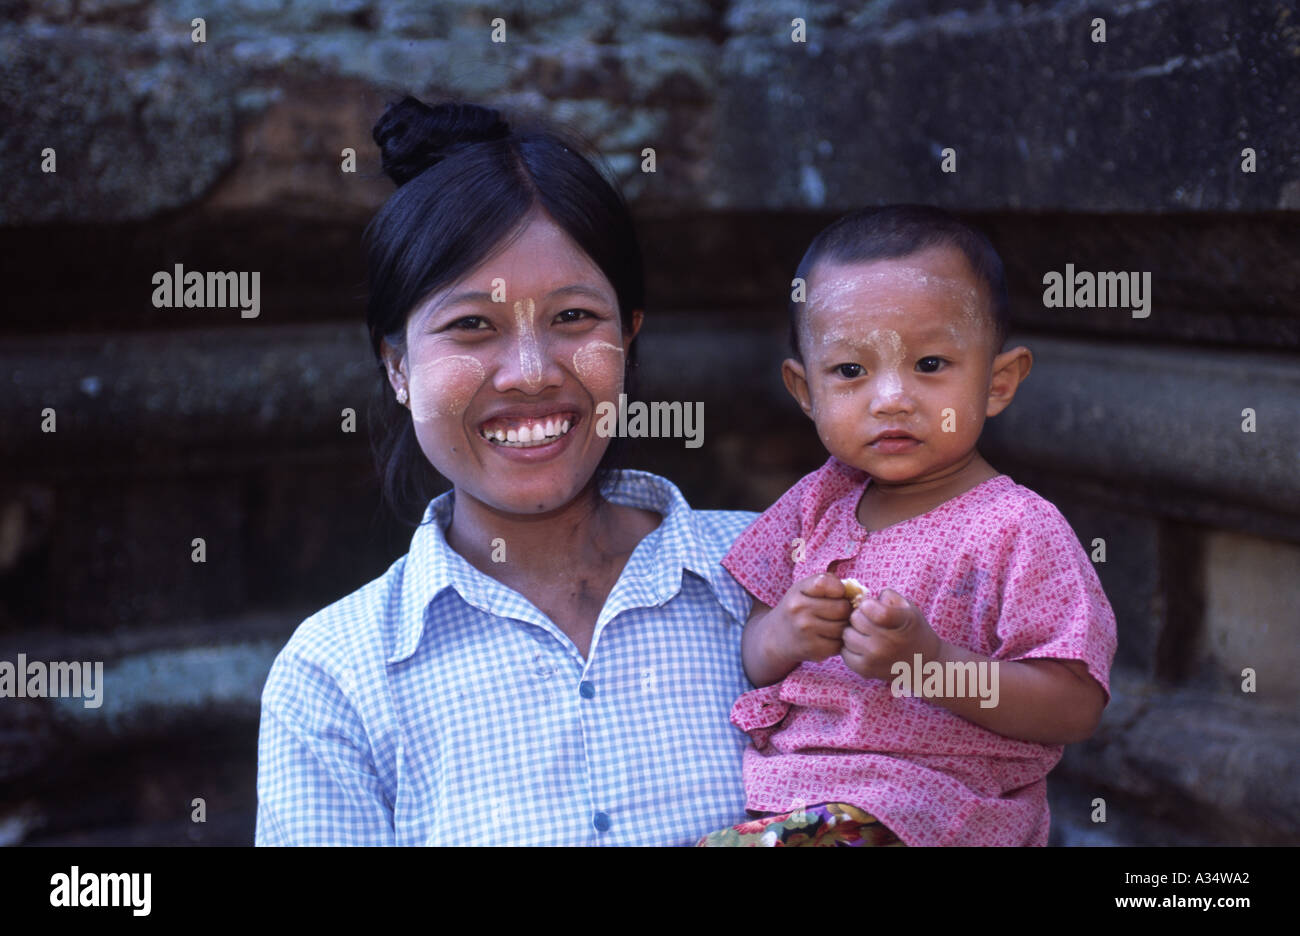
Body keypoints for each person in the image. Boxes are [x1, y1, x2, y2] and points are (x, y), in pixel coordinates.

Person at [255, 97, 756, 846]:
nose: (528, 373)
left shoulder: (776, 576)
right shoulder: (336, 677)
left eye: (574, 318)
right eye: (471, 327)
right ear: (398, 367)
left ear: (629, 337)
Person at [698, 205, 1117, 847]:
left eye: (929, 365)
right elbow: (751, 655)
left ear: (998, 383)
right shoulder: (813, 505)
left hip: (933, 813)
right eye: (850, 371)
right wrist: (784, 633)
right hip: (792, 802)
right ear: (805, 390)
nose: (891, 397)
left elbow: (1075, 704)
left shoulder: (1016, 527)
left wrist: (930, 665)